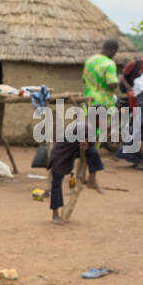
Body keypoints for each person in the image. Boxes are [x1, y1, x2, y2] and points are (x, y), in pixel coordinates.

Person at [47, 38, 116, 221]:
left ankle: (92, 180)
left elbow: (88, 144)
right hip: (60, 155)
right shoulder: (87, 126)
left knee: (92, 151)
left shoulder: (90, 61)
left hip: (73, 146)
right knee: (56, 182)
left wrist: (87, 144)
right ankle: (55, 214)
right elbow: (111, 84)